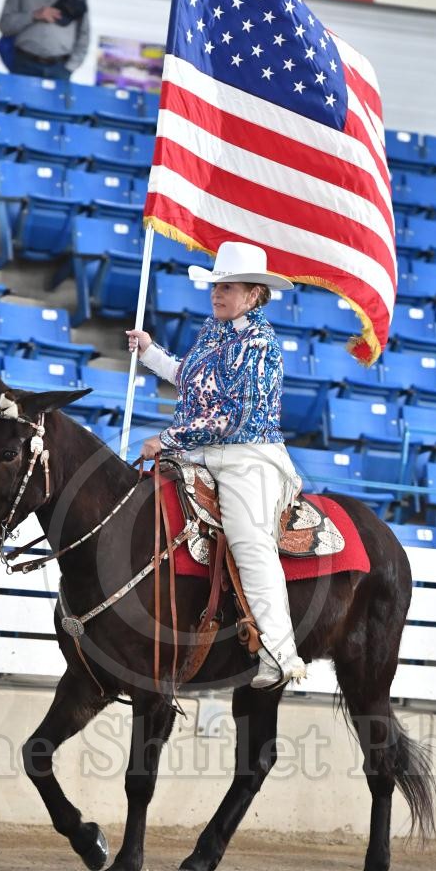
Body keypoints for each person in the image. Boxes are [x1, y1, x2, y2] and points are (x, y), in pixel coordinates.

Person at [126, 241, 307, 690]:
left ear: (253, 295)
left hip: (250, 456)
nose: (217, 293)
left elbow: (232, 416)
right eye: (215, 285)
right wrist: (150, 352)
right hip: (202, 451)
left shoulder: (262, 345)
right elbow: (191, 378)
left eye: (228, 287)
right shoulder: (214, 331)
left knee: (249, 539)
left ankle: (280, 653)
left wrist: (166, 439)